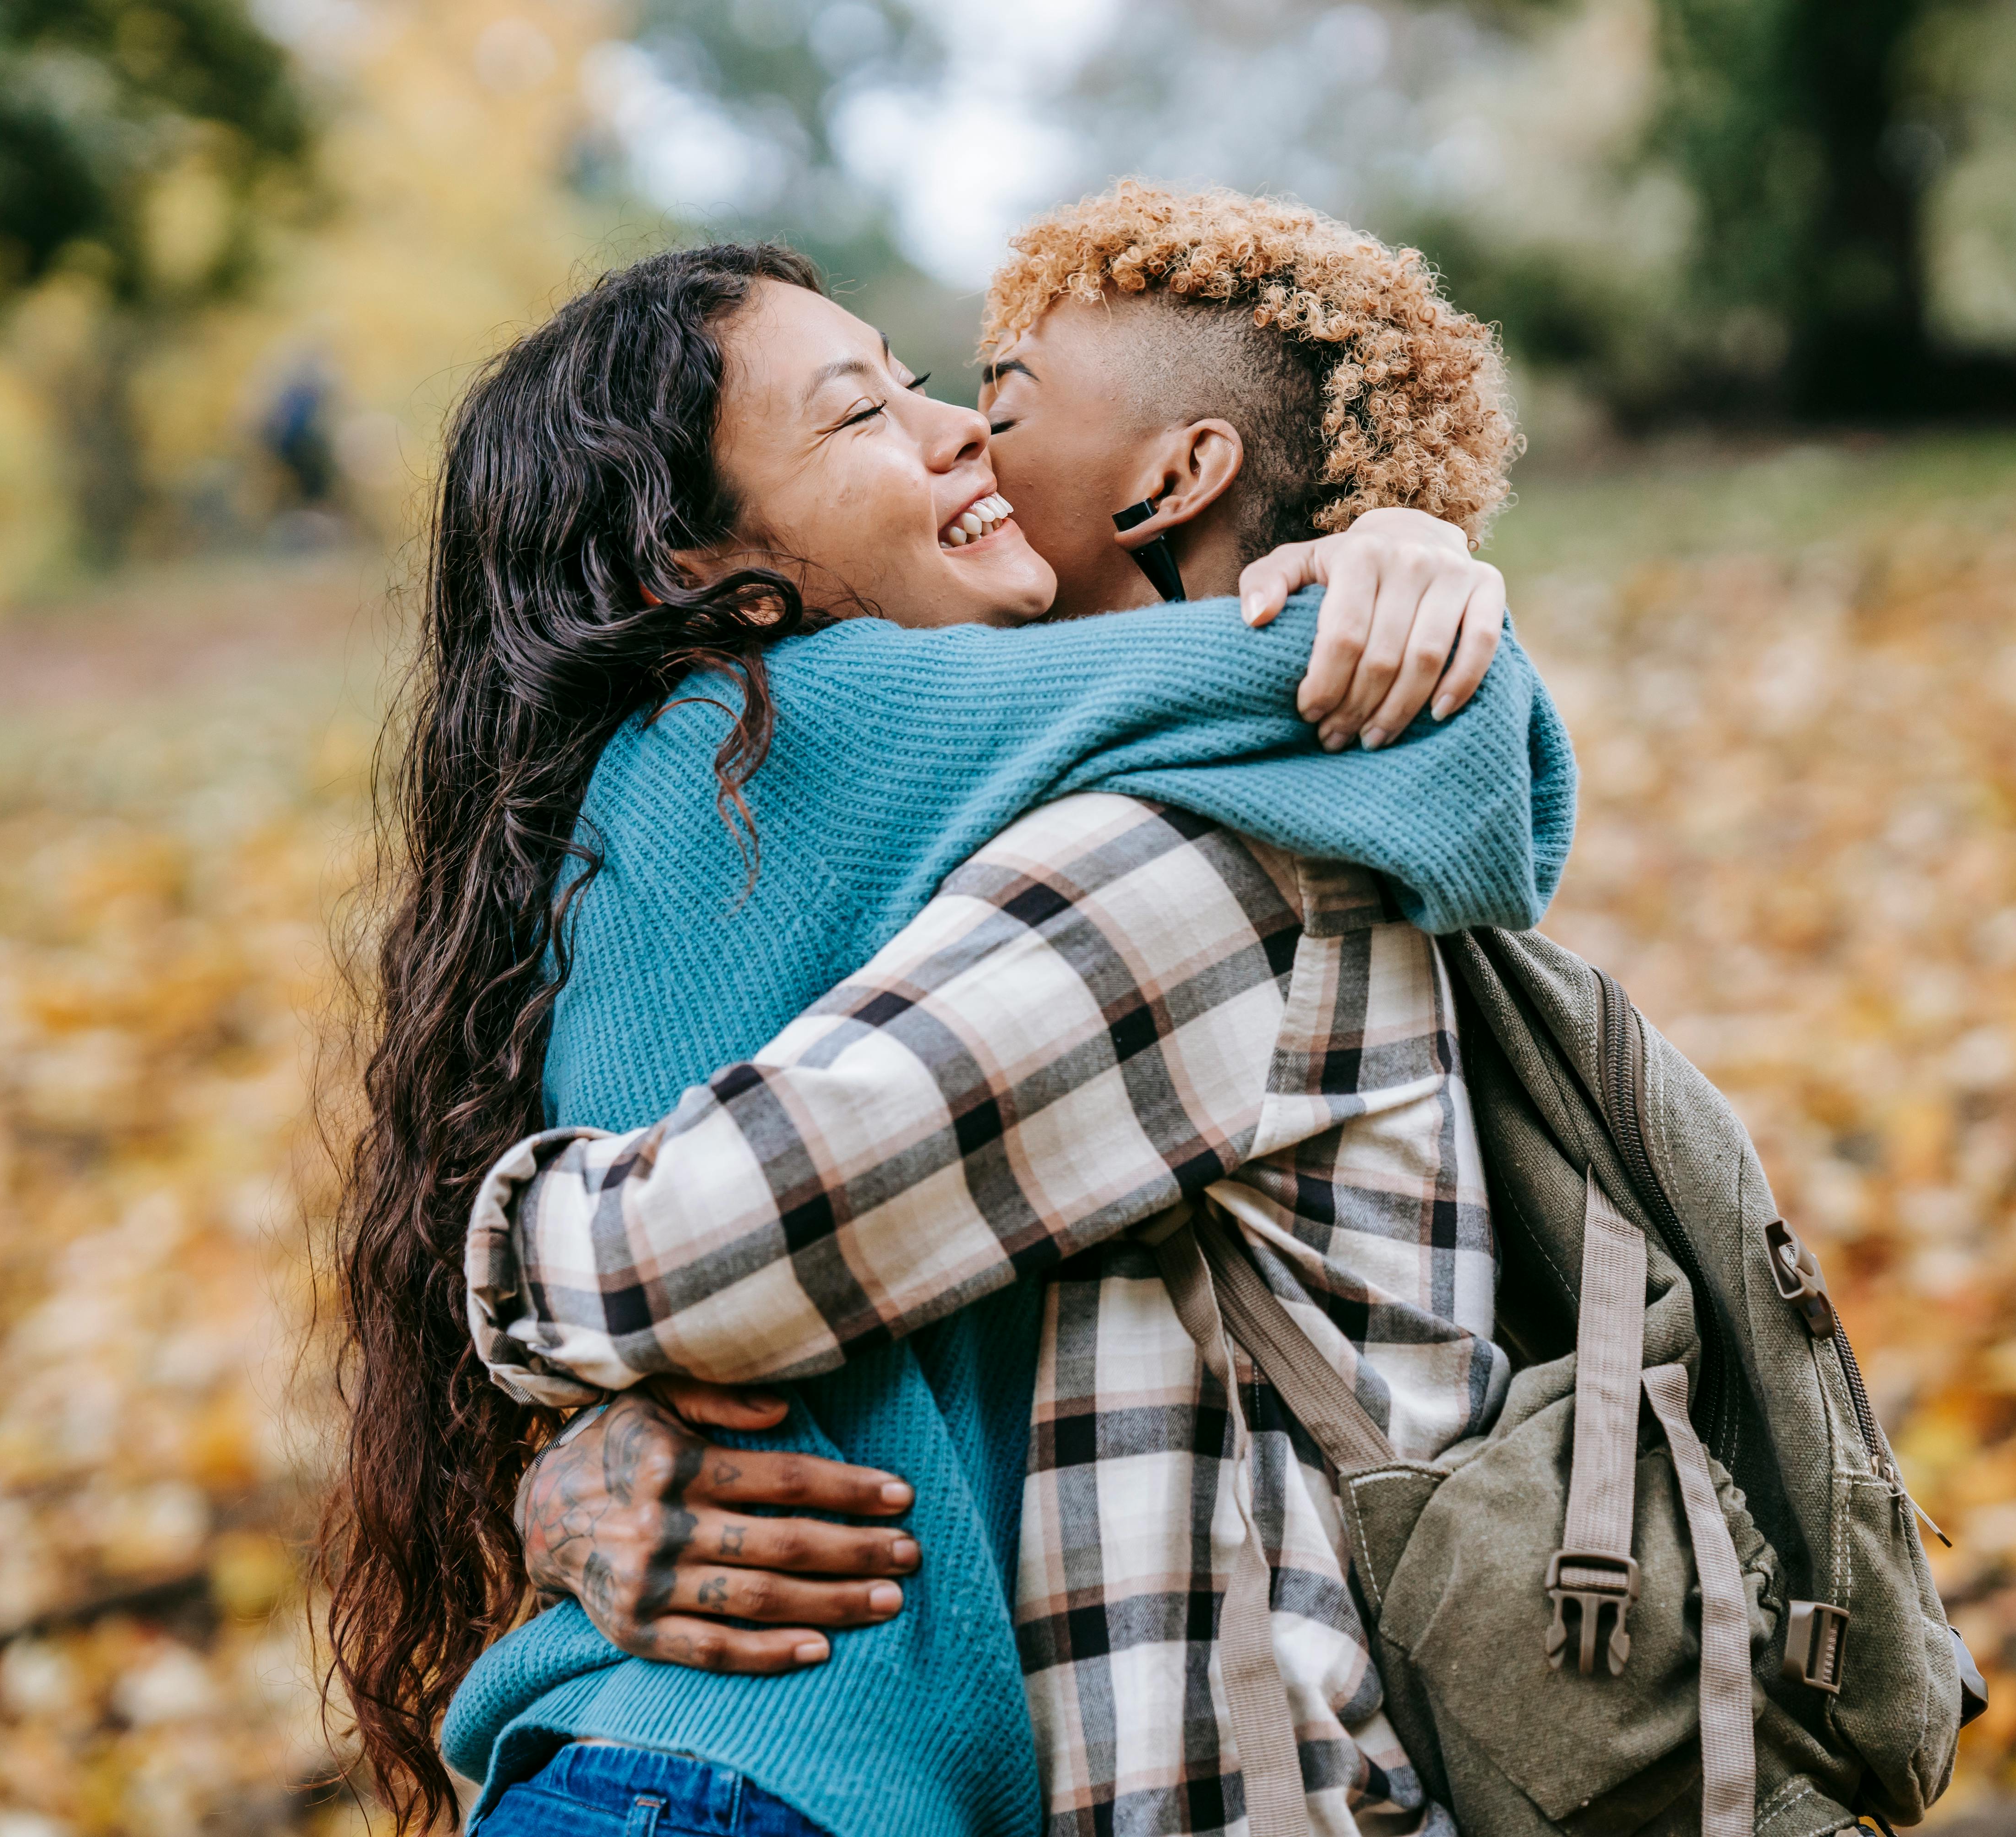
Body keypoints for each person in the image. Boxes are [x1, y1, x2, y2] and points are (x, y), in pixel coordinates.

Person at [442, 187, 1558, 1837]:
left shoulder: (1055, 831)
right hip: (736, 1773)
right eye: (871, 410)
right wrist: (1430, 609)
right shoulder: (798, 714)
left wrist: (1412, 561)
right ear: (711, 569)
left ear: (1177, 473)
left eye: (979, 395)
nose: (961, 431)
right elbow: (1429, 743)